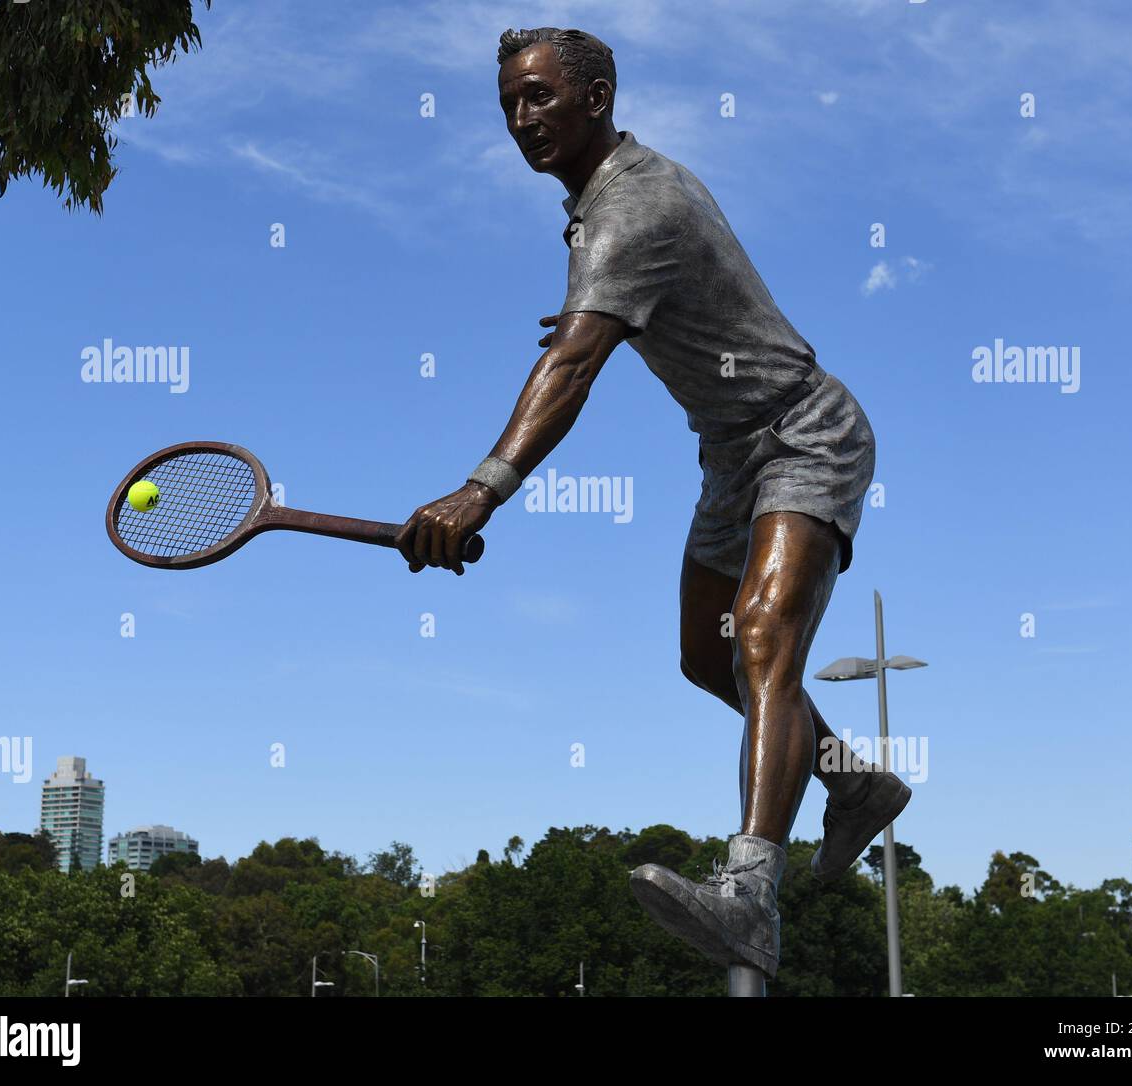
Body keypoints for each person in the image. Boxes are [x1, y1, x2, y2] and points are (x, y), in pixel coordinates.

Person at [396, 26, 911, 980]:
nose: (521, 119)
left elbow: (573, 365)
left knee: (762, 640)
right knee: (705, 657)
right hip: (730, 455)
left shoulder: (635, 205)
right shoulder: (601, 210)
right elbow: (597, 328)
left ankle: (751, 894)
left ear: (596, 97)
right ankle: (857, 785)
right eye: (509, 102)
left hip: (806, 430)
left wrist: (482, 492)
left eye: (540, 97)